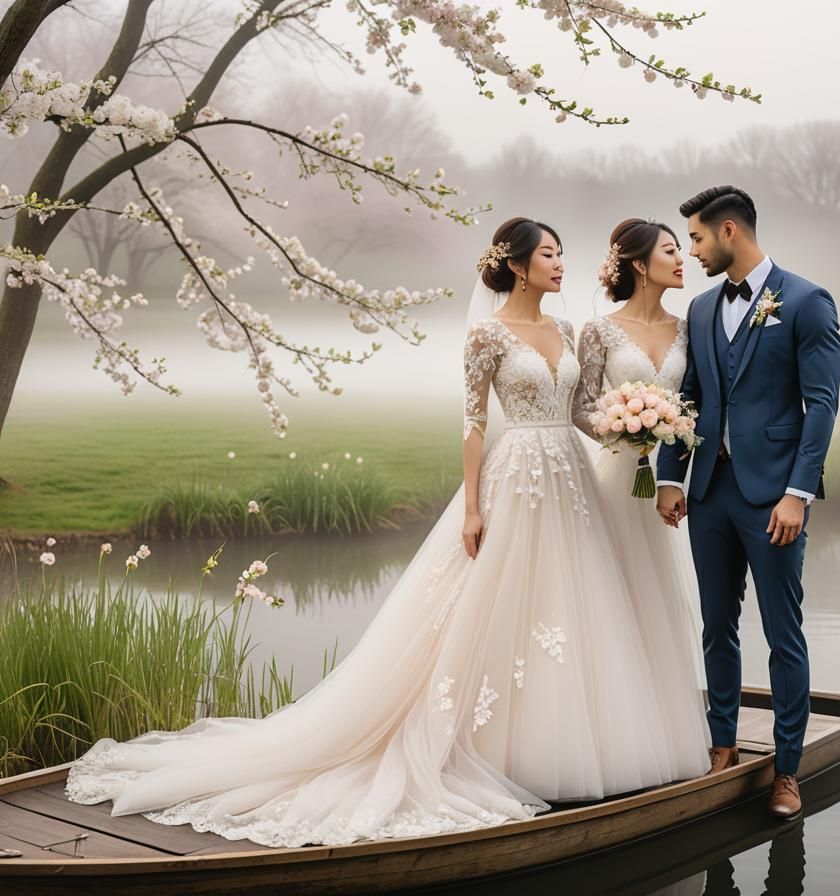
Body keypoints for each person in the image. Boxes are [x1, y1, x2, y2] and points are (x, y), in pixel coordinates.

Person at [65, 217, 699, 848]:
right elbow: (474, 424)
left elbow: (584, 413)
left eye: (563, 254)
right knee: (497, 606)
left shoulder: (566, 329)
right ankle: (494, 751)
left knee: (574, 607)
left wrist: (635, 424)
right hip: (517, 482)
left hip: (572, 484)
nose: (561, 265)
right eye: (550, 255)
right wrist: (473, 507)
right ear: (517, 264)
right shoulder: (487, 335)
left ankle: (576, 746)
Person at [655, 187, 840, 819]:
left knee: (784, 635)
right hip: (709, 493)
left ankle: (788, 770)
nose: (693, 251)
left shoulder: (807, 301)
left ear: (729, 231)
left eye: (698, 240)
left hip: (774, 500)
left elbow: (822, 407)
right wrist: (670, 477)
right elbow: (688, 398)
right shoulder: (703, 310)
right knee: (717, 627)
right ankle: (723, 746)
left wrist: (797, 494)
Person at [572, 218, 712, 777]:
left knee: (656, 604)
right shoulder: (599, 331)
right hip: (610, 479)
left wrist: (668, 433)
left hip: (661, 490)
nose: (683, 260)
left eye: (684, 249)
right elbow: (580, 405)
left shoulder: (688, 329)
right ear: (638, 263)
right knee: (605, 599)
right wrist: (623, 430)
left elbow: (696, 404)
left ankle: (656, 730)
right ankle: (601, 733)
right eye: (672, 251)